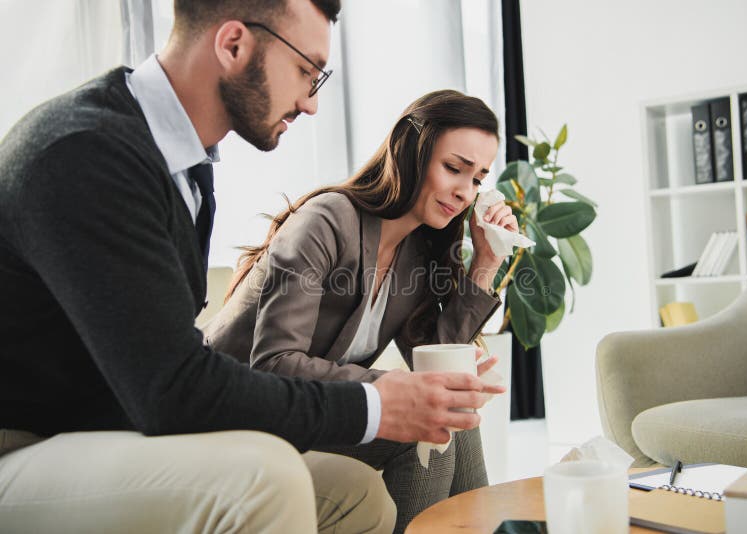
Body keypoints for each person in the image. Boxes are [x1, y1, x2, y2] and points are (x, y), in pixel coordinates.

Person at [0, 1, 503, 532]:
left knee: (372, 483)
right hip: (27, 437)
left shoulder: (187, 171)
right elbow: (173, 389)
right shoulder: (87, 152)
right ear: (233, 44)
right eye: (306, 70)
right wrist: (378, 401)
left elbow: (432, 350)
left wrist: (483, 269)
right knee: (271, 479)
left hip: (113, 423)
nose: (311, 103)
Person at [204, 89, 519, 532]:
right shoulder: (327, 220)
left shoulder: (418, 250)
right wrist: (396, 389)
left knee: (449, 419)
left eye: (478, 179)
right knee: (436, 419)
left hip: (307, 417)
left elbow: (433, 361)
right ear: (411, 152)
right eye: (454, 169)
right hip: (238, 420)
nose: (466, 192)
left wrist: (485, 263)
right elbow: (274, 364)